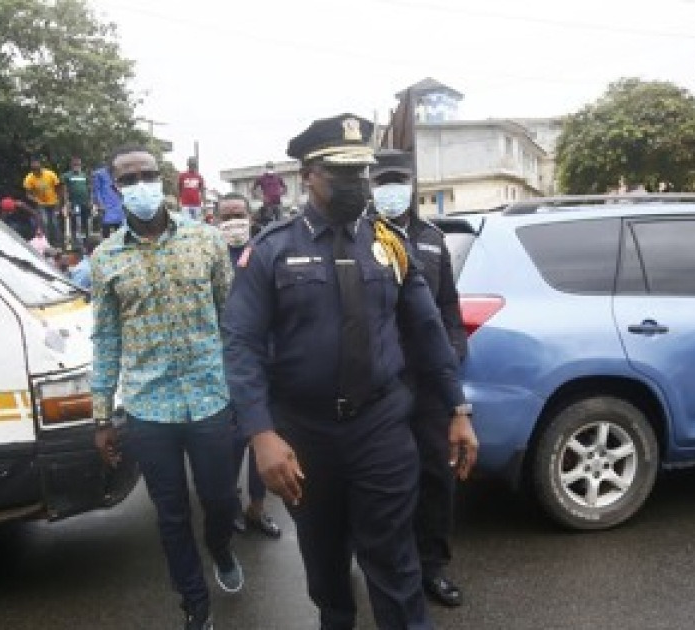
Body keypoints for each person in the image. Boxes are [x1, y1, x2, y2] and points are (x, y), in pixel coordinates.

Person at [223, 113, 478, 630]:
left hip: (380, 426)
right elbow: (241, 345)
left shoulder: (391, 245)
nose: (357, 185)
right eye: (343, 174)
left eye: (361, 173)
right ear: (309, 175)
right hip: (304, 433)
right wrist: (261, 433)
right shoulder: (272, 250)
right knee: (324, 563)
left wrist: (458, 408)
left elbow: (429, 331)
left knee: (394, 562)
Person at [90, 145, 242, 630]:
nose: (140, 185)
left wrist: (246, 390)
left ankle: (220, 544)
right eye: (128, 179)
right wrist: (101, 416)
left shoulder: (207, 242)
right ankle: (194, 603)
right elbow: (106, 338)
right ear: (116, 190)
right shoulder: (105, 258)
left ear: (166, 179)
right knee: (171, 515)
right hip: (148, 408)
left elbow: (233, 320)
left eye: (148, 174)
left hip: (210, 399)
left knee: (221, 499)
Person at [371, 149, 469, 608]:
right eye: (382, 180)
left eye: (398, 180)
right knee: (384, 477)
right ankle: (384, 561)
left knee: (436, 475)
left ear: (411, 185)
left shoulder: (432, 238)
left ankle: (432, 566)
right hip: (381, 380)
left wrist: (453, 349)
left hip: (428, 380)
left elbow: (448, 304)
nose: (390, 189)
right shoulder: (359, 236)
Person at [215, 193, 281, 539]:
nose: (233, 222)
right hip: (223, 366)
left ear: (250, 216)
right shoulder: (209, 258)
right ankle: (230, 507)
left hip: (265, 363)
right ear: (215, 220)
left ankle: (258, 508)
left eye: (238, 214)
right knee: (231, 445)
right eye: (226, 216)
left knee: (263, 435)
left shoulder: (265, 252)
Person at [23, 157, 64, 248]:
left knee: (54, 223)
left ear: (41, 167)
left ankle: (58, 244)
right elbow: (28, 194)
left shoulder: (50, 174)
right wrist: (36, 200)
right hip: (41, 204)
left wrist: (59, 202)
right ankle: (47, 244)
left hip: (53, 202)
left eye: (37, 169)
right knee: (44, 222)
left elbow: (59, 188)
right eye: (33, 169)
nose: (36, 171)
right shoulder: (29, 178)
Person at [62, 156, 93, 245]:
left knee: (86, 222)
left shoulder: (84, 175)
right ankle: (75, 242)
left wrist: (91, 201)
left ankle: (87, 241)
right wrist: (66, 202)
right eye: (74, 164)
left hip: (85, 202)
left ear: (80, 164)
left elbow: (89, 188)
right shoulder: (67, 175)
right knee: (75, 222)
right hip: (74, 203)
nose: (76, 166)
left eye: (78, 164)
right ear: (71, 165)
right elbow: (65, 190)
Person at [92, 161, 125, 236]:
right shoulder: (99, 174)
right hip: (106, 206)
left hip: (118, 206)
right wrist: (100, 204)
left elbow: (121, 189)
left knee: (119, 231)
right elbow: (97, 191)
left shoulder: (118, 173)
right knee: (106, 230)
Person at [251, 161, 287, 230]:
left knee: (280, 223)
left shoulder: (278, 177)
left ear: (273, 168)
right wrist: (261, 198)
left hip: (278, 203)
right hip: (268, 205)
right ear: (266, 168)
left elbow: (285, 187)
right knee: (268, 223)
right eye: (269, 167)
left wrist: (280, 194)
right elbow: (253, 189)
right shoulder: (261, 178)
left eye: (271, 167)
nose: (270, 169)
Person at [177, 157, 207, 221]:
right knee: (187, 224)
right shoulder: (182, 176)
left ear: (196, 166)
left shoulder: (199, 177)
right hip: (185, 205)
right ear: (188, 165)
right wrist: (178, 202)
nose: (192, 166)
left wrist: (204, 204)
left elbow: (202, 191)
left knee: (197, 225)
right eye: (191, 165)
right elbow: (179, 190)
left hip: (197, 205)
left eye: (193, 165)